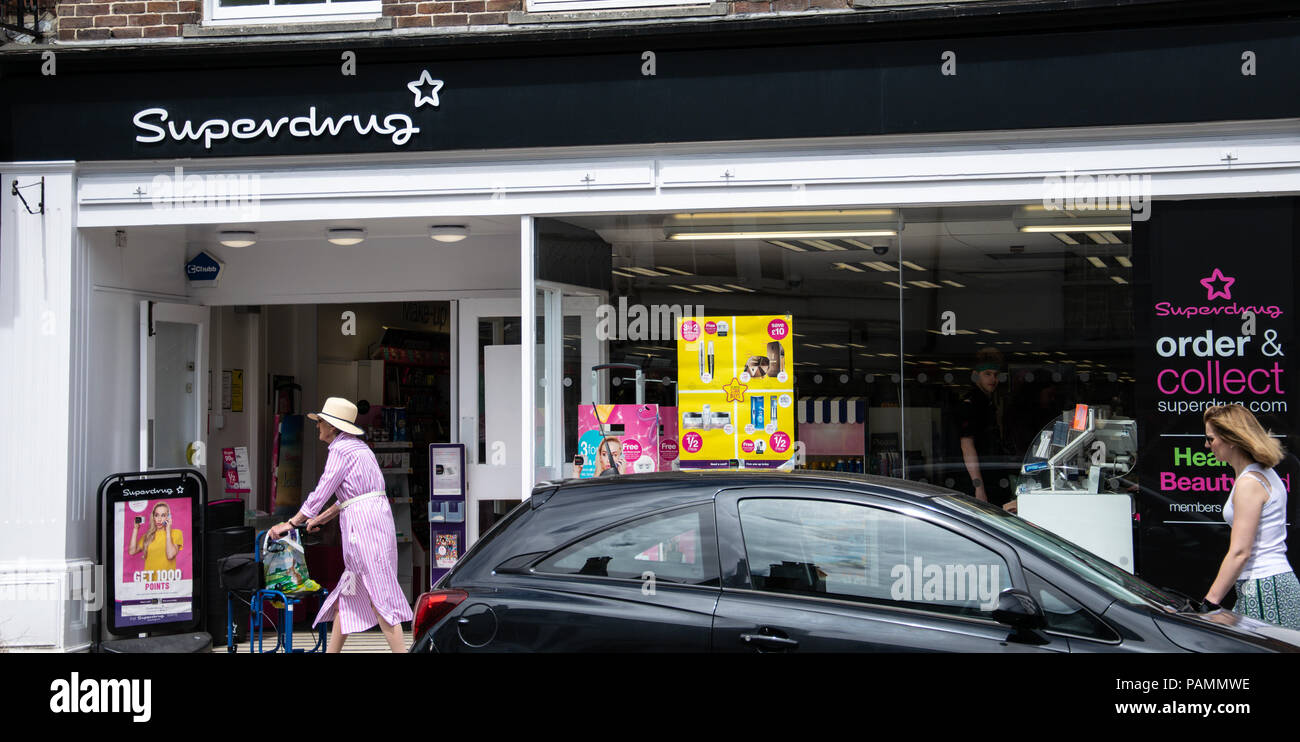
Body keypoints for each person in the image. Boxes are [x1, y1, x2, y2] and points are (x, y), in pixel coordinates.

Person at [268, 397, 413, 652]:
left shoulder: (339, 450)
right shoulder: (359, 448)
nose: (318, 426)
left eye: (321, 422)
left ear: (333, 427)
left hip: (363, 526)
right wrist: (320, 519)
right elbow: (350, 496)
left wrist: (291, 523)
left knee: (379, 593)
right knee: (348, 596)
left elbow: (323, 490)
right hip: (375, 519)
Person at [1201, 404, 1300, 628]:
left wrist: (1210, 601)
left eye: (1211, 439)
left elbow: (1240, 552)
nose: (1207, 445)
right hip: (1268, 585)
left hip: (1264, 587)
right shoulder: (1262, 475)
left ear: (1232, 438)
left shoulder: (1249, 483)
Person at [954, 347, 1013, 506]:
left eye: (995, 374)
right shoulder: (971, 404)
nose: (993, 379)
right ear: (975, 375)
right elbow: (967, 446)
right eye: (987, 373)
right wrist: (978, 488)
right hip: (980, 479)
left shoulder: (988, 402)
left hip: (991, 475)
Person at [129, 502, 182, 573]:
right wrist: (136, 529)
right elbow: (132, 551)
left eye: (163, 515)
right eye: (156, 515)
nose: (159, 519)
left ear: (168, 517)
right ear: (153, 517)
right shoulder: (147, 536)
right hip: (148, 580)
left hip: (167, 581)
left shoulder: (176, 533)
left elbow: (170, 555)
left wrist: (168, 531)